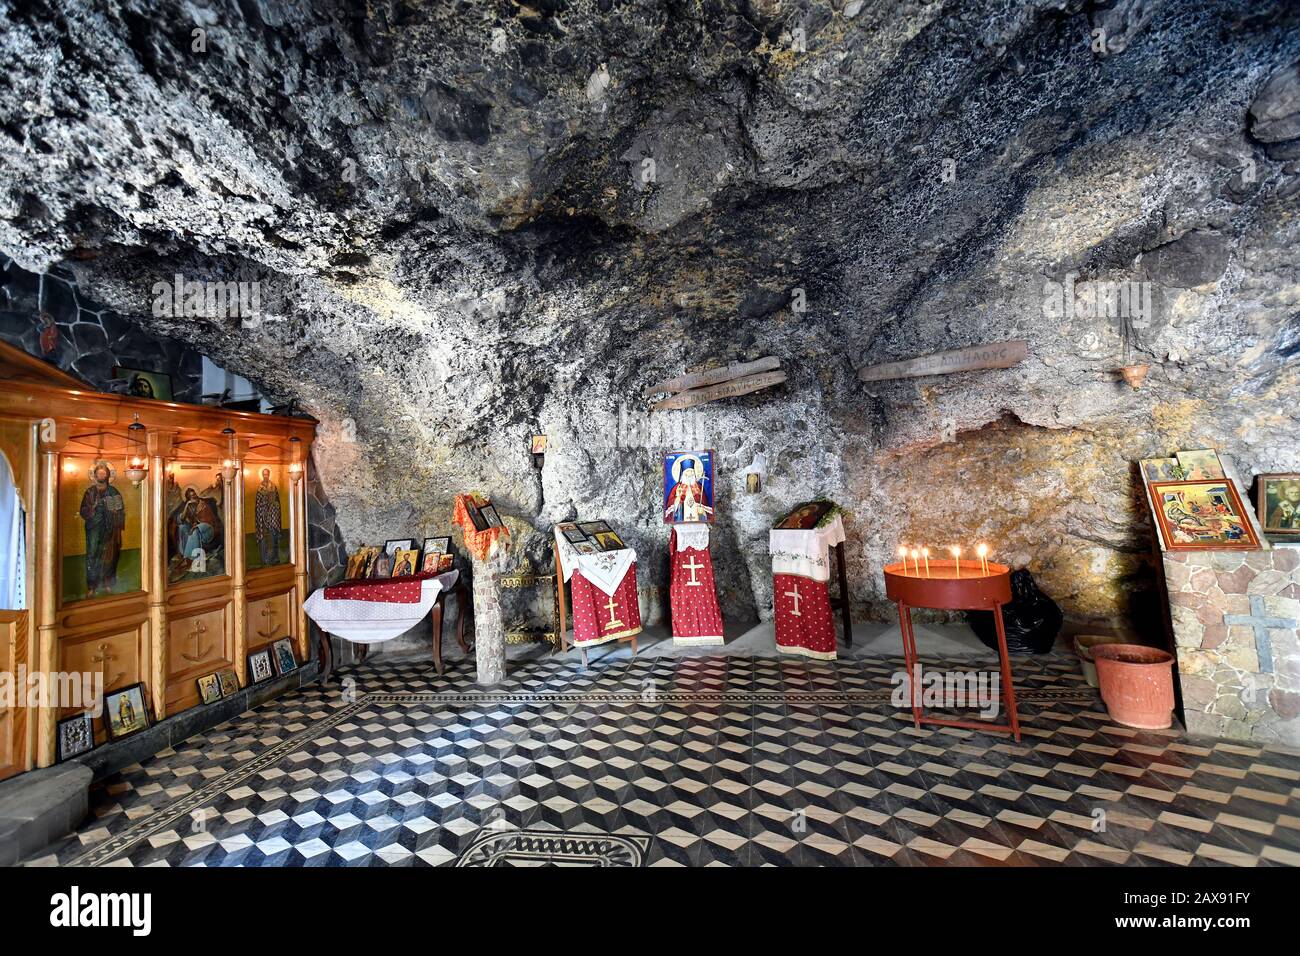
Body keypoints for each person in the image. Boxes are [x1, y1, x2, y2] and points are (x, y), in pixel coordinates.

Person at [79, 461, 125, 597]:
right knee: (93, 555)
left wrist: (116, 512)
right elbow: (83, 511)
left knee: (110, 556)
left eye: (104, 473)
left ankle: (107, 584)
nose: (101, 475)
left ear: (108, 475)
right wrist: (94, 507)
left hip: (110, 527)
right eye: (99, 473)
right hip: (94, 528)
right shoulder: (90, 492)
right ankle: (92, 586)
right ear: (94, 475)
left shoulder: (113, 492)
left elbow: (120, 510)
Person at [254, 468, 282, 565]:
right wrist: (264, 506)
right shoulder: (259, 488)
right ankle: (265, 559)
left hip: (273, 517)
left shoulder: (273, 486)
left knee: (274, 537)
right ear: (262, 475)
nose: (266, 476)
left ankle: (275, 558)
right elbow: (258, 504)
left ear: (269, 475)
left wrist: (274, 505)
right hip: (263, 517)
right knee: (264, 538)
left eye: (267, 474)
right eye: (264, 474)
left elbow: (277, 502)